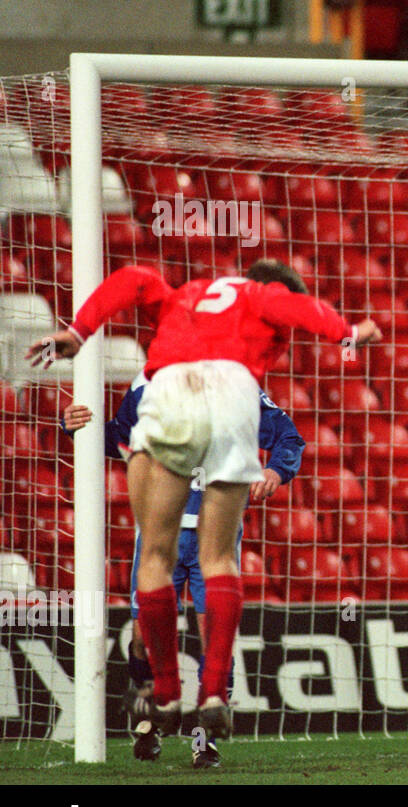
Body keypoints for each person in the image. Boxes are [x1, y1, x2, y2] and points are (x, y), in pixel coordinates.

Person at [28, 259, 379, 752]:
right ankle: (212, 693)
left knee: (153, 554)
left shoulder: (184, 296)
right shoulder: (261, 297)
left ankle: (167, 696)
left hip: (169, 386)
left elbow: (132, 279)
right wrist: (349, 331)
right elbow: (295, 308)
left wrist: (79, 331)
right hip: (232, 392)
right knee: (222, 563)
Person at [59, 378, 305, 768]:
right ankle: (147, 719)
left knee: (214, 637)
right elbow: (120, 439)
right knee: (143, 635)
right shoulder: (147, 385)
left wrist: (276, 469)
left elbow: (289, 437)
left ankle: (204, 739)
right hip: (160, 531)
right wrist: (78, 427)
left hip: (217, 533)